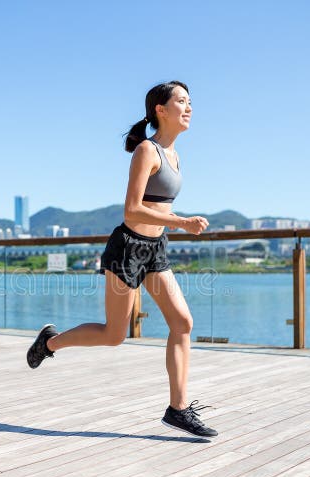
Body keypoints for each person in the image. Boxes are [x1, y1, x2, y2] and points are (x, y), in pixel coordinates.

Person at [27, 81, 217, 438]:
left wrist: (172, 225)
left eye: (190, 102)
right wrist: (182, 222)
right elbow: (132, 209)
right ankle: (49, 343)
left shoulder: (174, 155)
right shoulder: (147, 150)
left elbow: (157, 207)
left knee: (182, 323)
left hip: (155, 250)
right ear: (160, 110)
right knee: (115, 334)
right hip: (128, 248)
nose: (189, 107)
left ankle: (177, 409)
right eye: (181, 101)